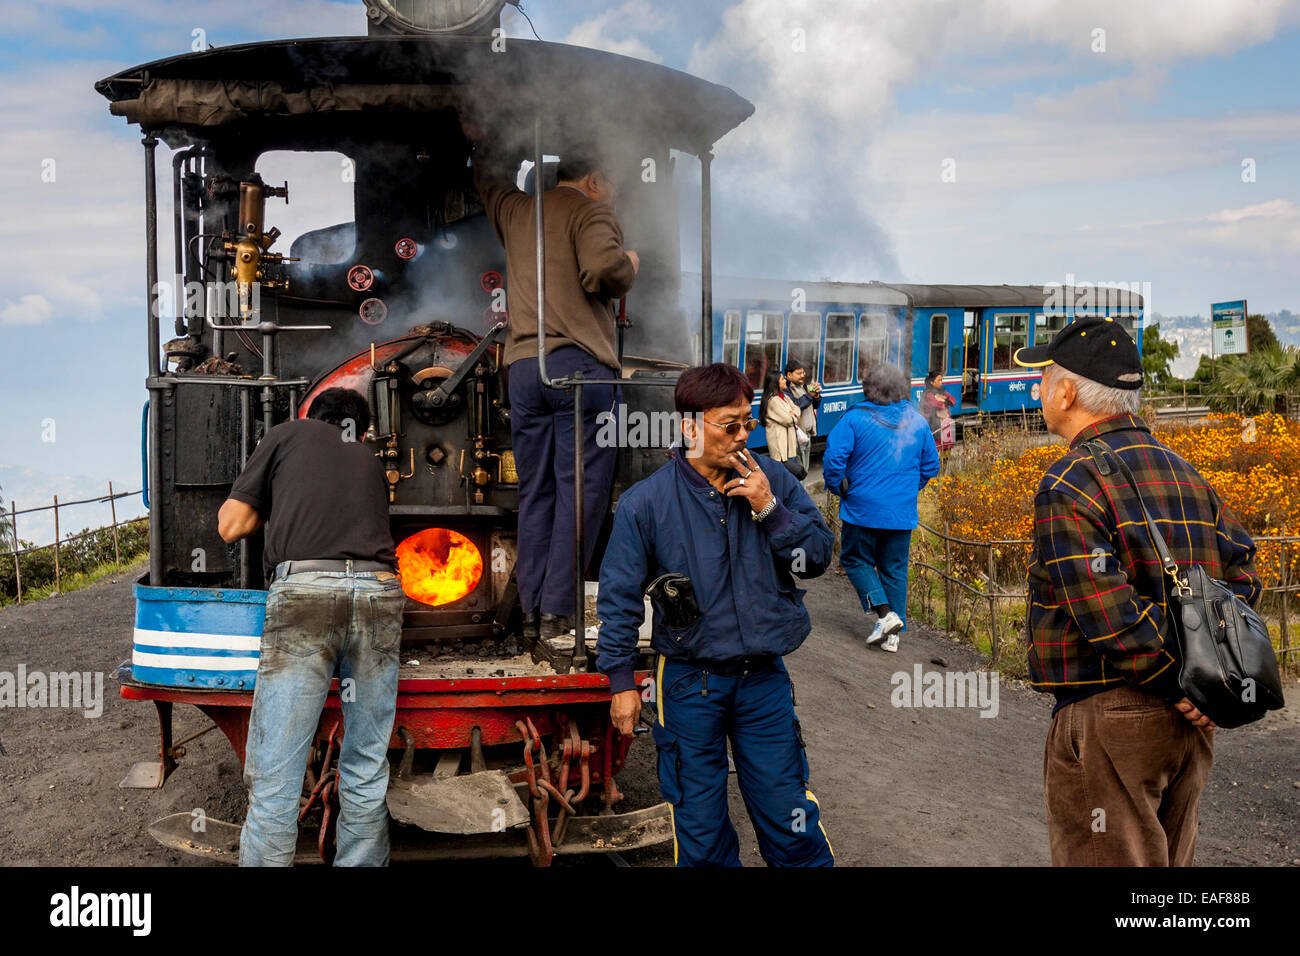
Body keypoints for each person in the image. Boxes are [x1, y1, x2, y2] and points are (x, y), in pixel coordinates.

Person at [1014, 318, 1261, 866]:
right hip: (1190, 727)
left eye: (1044, 378)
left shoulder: (1068, 482)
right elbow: (1240, 574)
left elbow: (1109, 613)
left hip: (1111, 716)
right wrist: (1207, 680)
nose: (1038, 390)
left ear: (1067, 390)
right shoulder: (1185, 473)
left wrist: (1179, 681)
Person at [596, 363, 835, 867]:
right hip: (687, 682)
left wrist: (771, 510)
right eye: (730, 425)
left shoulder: (772, 481)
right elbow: (618, 598)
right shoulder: (646, 503)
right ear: (689, 426)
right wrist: (621, 682)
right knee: (700, 832)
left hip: (762, 681)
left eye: (748, 422)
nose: (743, 435)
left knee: (789, 815)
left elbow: (816, 560)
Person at [217, 387, 405, 866]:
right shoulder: (368, 461)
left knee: (278, 771)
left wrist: (270, 503)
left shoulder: (285, 434)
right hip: (380, 595)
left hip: (306, 595)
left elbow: (231, 526)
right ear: (357, 430)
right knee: (365, 764)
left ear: (310, 415)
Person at [467, 124, 640, 640]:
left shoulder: (517, 210)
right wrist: (629, 263)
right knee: (580, 493)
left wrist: (489, 134)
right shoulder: (592, 210)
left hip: (523, 370)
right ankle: (559, 613)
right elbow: (603, 272)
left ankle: (527, 612)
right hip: (580, 371)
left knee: (536, 493)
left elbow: (488, 179)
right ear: (594, 179)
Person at [822, 364, 939, 653]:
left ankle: (886, 616)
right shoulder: (917, 422)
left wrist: (840, 487)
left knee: (855, 560)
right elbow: (931, 466)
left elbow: (834, 459)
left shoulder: (853, 419)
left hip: (862, 509)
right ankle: (893, 637)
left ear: (869, 389)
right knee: (895, 569)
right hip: (901, 512)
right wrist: (908, 490)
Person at [759, 369, 800, 472]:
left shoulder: (784, 397)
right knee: (781, 470)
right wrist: (793, 415)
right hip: (779, 445)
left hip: (786, 443)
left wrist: (793, 413)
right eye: (782, 378)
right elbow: (788, 420)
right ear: (775, 383)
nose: (785, 380)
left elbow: (798, 409)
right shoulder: (772, 401)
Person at [784, 358, 821, 473]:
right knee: (800, 469)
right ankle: (800, 490)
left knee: (805, 467)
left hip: (807, 433)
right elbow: (796, 405)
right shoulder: (786, 390)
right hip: (797, 434)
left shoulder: (804, 387)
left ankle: (802, 490)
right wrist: (810, 395)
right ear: (789, 375)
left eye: (803, 373)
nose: (802, 376)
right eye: (799, 373)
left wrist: (816, 396)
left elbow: (814, 406)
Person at [919, 369, 955, 450]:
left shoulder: (941, 391)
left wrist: (943, 399)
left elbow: (952, 400)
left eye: (941, 380)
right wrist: (946, 400)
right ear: (932, 382)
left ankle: (944, 461)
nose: (941, 382)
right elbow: (939, 404)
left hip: (945, 423)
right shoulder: (928, 394)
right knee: (936, 447)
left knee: (946, 448)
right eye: (939, 380)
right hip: (934, 425)